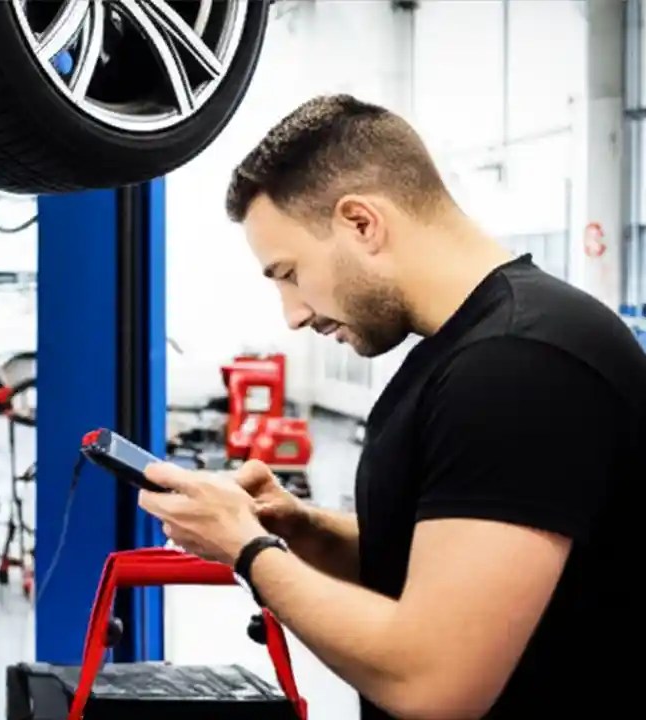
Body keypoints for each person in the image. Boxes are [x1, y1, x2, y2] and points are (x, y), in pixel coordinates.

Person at [138, 94, 644, 719]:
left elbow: (434, 685)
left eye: (290, 273)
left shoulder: (519, 364)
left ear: (360, 224)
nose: (293, 315)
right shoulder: (476, 348)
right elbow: (441, 555)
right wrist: (300, 528)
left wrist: (247, 549)